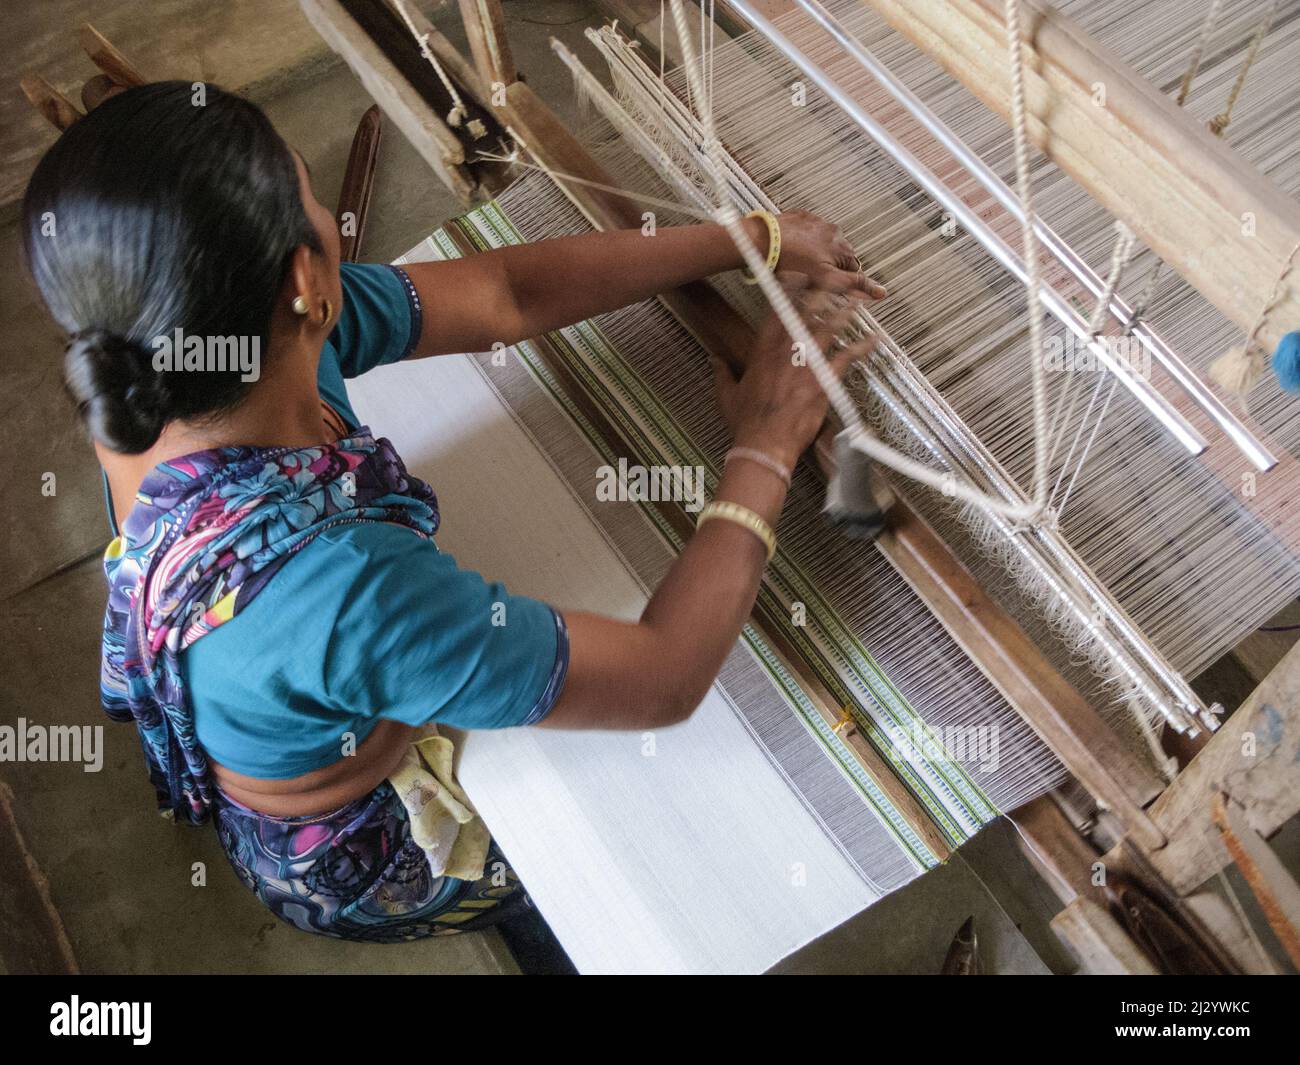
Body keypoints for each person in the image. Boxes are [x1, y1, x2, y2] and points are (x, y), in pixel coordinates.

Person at [21, 81, 881, 940]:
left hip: (280, 675)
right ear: (302, 281)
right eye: (313, 198)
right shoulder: (350, 593)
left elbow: (505, 293)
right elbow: (664, 676)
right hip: (351, 849)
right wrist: (765, 444)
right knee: (618, 849)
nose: (325, 213)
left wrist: (745, 240)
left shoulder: (156, 377)